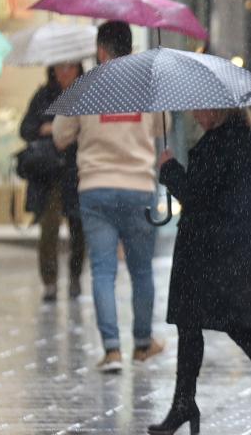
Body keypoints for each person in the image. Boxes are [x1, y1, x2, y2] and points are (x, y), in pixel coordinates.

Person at [148, 108, 251, 435]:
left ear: (218, 109)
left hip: (218, 253)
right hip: (218, 251)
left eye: (200, 109)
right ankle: (185, 403)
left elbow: (197, 197)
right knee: (194, 324)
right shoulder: (231, 140)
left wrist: (169, 170)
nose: (194, 116)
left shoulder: (228, 144)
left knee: (239, 328)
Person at [53, 20, 167, 373]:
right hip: (137, 188)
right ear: (130, 49)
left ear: (101, 51)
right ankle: (144, 343)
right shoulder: (148, 87)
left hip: (96, 189)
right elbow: (163, 129)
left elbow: (60, 135)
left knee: (102, 270)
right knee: (140, 270)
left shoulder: (85, 87)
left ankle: (113, 349)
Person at [20, 64, 85, 302]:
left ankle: (75, 277)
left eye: (70, 67)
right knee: (49, 228)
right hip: (50, 174)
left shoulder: (86, 95)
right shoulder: (43, 96)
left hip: (78, 171)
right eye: (60, 68)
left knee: (79, 229)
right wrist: (46, 129)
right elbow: (25, 129)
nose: (65, 73)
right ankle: (49, 282)